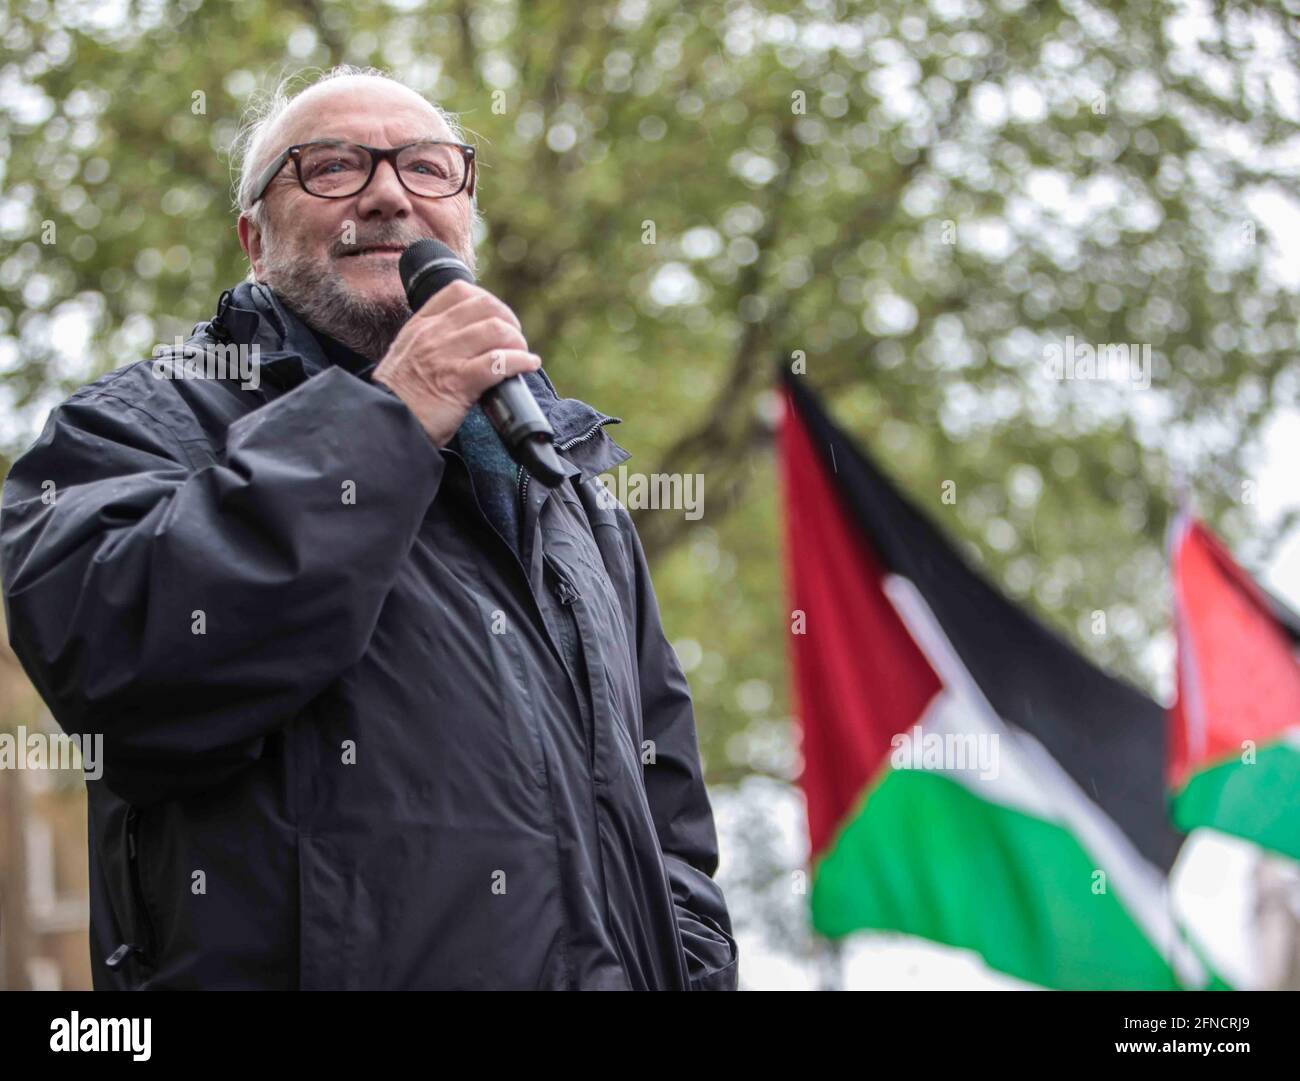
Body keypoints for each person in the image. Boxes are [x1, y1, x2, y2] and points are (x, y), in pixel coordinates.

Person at [0, 66, 738, 991]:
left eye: (429, 168)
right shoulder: (130, 429)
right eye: (334, 167)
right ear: (253, 241)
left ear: (463, 217)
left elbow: (666, 811)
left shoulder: (565, 478)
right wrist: (393, 416)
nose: (389, 194)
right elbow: (127, 665)